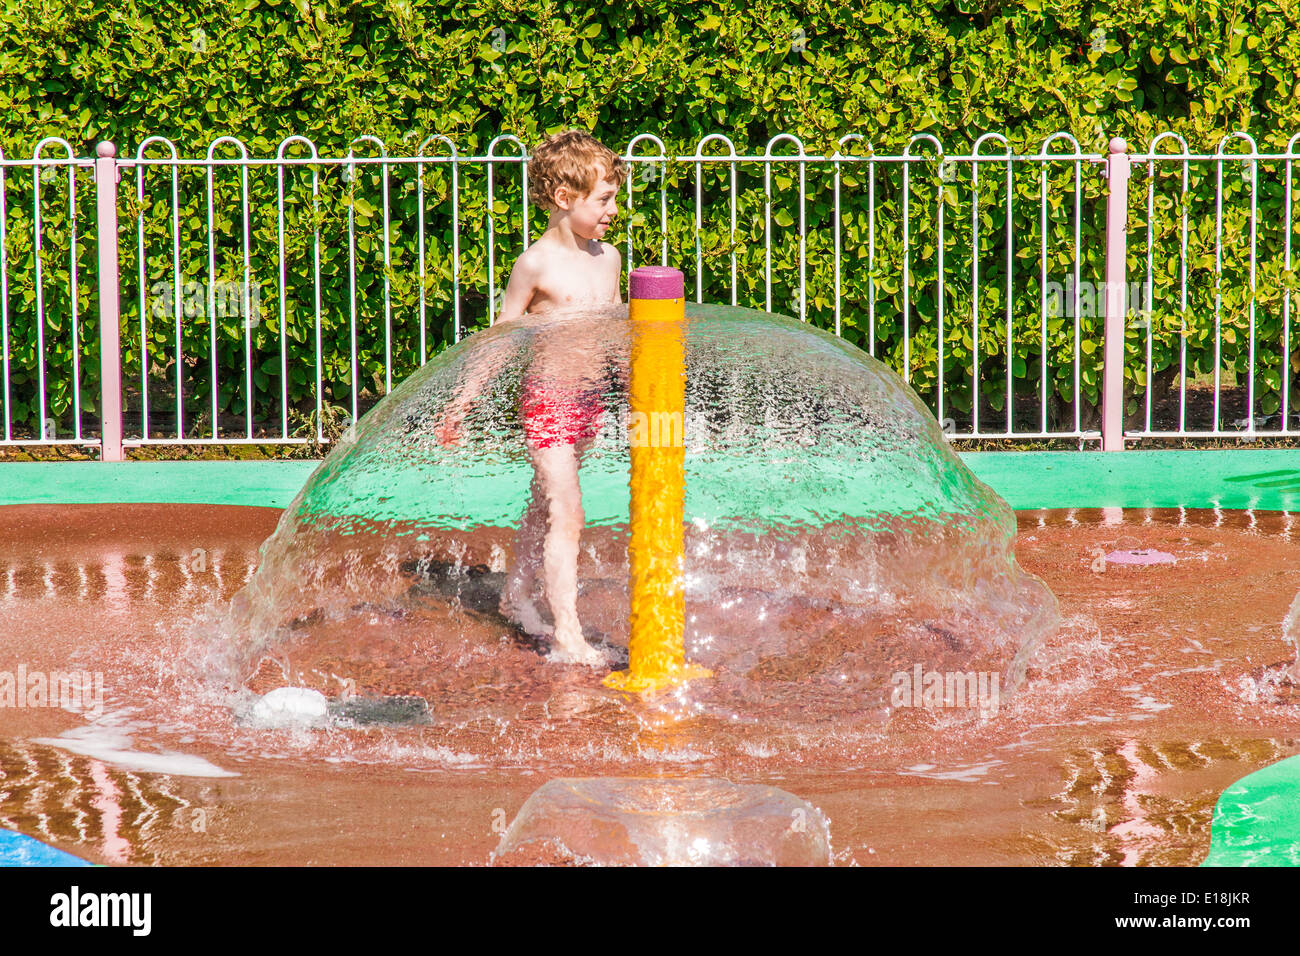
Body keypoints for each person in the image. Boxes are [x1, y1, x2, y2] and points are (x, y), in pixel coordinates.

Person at [435, 129, 627, 665]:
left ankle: (516, 593)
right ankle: (568, 634)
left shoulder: (608, 257)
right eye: (604, 199)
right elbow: (499, 338)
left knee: (545, 505)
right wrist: (463, 403)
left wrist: (638, 390)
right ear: (566, 199)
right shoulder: (535, 264)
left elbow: (615, 330)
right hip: (548, 403)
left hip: (591, 402)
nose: (615, 209)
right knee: (569, 510)